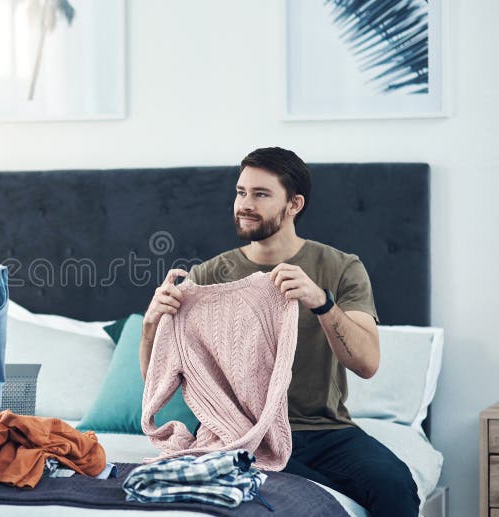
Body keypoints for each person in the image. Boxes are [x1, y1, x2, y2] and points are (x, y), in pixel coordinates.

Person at [138, 147, 420, 516]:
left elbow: (367, 363)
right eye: (241, 192)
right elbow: (162, 383)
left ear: (294, 204)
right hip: (241, 435)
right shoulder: (207, 277)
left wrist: (321, 302)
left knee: (395, 485)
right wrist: (149, 328)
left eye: (261, 194)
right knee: (289, 496)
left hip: (325, 432)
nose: (244, 204)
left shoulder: (341, 267)